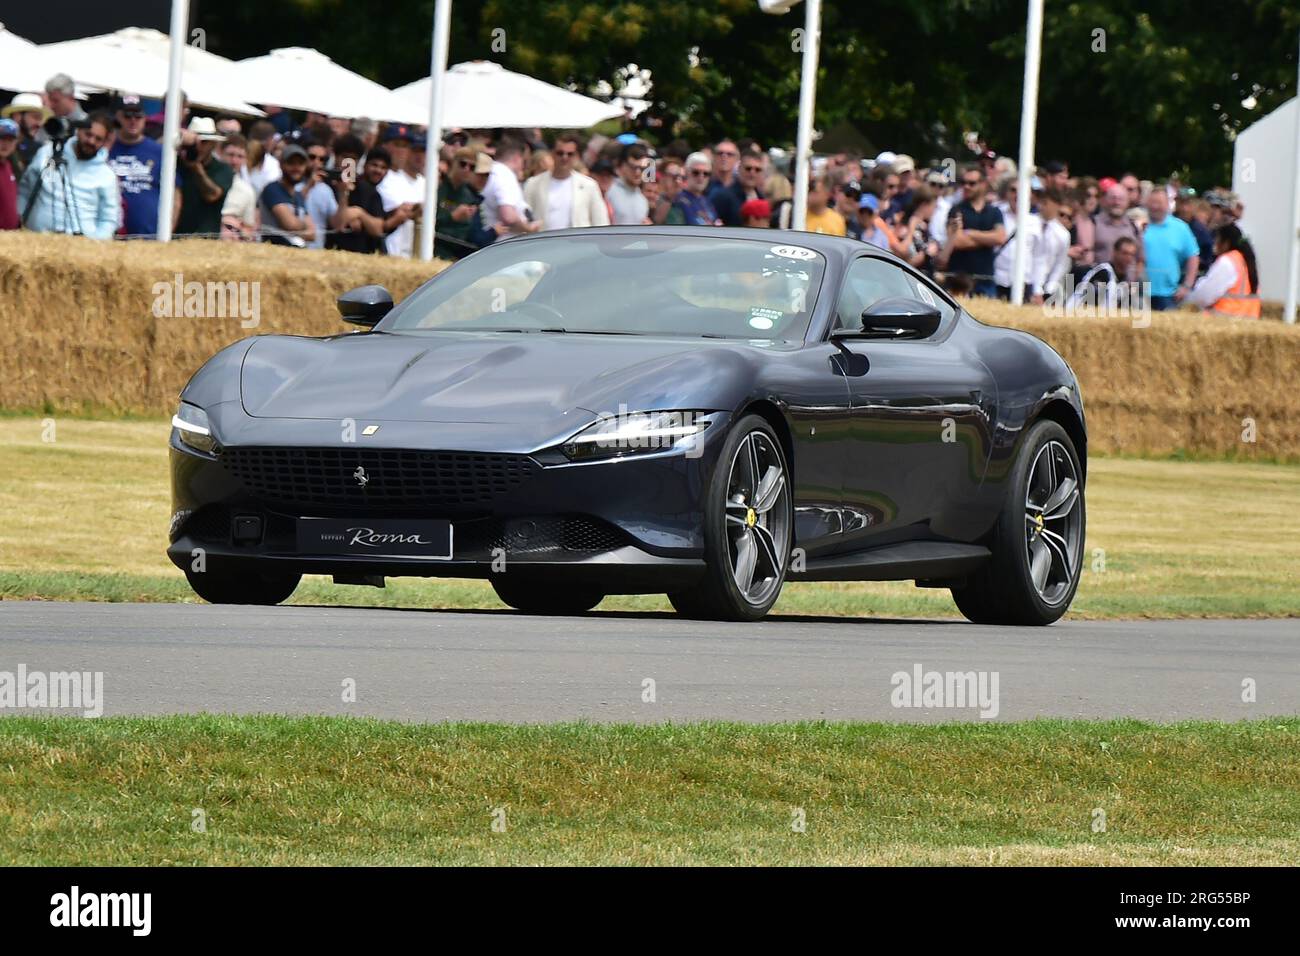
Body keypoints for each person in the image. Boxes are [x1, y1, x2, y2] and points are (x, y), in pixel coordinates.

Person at [17, 111, 119, 239]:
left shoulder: (107, 176)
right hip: (36, 240)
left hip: (80, 246)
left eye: (98, 139)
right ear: (78, 131)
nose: (91, 141)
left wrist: (96, 244)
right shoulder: (47, 153)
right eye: (88, 134)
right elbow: (25, 190)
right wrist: (18, 221)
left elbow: (109, 219)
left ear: (104, 142)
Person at [934, 164, 1005, 296]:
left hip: (985, 281)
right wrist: (988, 240)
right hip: (959, 281)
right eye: (963, 183)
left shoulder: (994, 212)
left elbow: (1000, 238)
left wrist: (970, 233)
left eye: (972, 183)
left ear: (983, 184)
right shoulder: (956, 210)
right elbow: (957, 241)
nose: (966, 187)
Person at [523, 133, 609, 233]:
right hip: (544, 241)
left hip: (578, 241)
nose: (565, 157)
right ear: (552, 154)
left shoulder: (589, 185)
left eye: (570, 154)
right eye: (560, 153)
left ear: (576, 156)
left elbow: (601, 223)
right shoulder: (533, 184)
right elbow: (524, 221)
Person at [106, 95, 163, 237]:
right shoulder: (107, 147)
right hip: (110, 232)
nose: (133, 121)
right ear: (119, 117)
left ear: (145, 118)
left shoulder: (158, 151)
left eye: (138, 116)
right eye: (127, 116)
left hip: (148, 236)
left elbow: (174, 193)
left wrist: (167, 231)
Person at [174, 117, 232, 238]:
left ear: (213, 144)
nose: (199, 147)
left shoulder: (223, 169)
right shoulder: (174, 164)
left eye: (204, 142)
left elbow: (212, 195)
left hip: (206, 240)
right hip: (176, 236)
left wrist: (195, 167)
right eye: (194, 142)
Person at [328, 145, 392, 255]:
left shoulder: (370, 192)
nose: (378, 170)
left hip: (364, 254)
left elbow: (378, 229)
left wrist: (359, 213)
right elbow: (336, 222)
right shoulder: (328, 186)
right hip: (334, 252)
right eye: (374, 165)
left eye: (383, 168)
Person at [1143, 185, 1199, 310]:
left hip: (1168, 295)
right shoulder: (1139, 225)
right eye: (1152, 202)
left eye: (1159, 203)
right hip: (1139, 293)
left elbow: (1193, 257)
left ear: (1168, 204)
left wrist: (1187, 286)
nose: (1155, 206)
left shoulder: (1181, 228)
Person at [1186, 224, 1260, 318]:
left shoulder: (1227, 262)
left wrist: (1188, 298)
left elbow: (1203, 296)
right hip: (1247, 321)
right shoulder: (1246, 261)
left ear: (1225, 243)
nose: (1215, 244)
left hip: (1222, 320)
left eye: (1217, 239)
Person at [376, 125, 425, 256]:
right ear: (385, 146)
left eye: (406, 146)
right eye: (397, 145)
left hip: (411, 250)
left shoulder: (412, 180)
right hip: (389, 248)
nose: (402, 150)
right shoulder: (381, 176)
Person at [259, 143, 314, 246]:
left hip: (296, 251)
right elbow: (290, 224)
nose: (296, 168)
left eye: (301, 164)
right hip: (273, 249)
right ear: (281, 164)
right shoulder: (272, 189)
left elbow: (313, 234)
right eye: (291, 163)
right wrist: (304, 226)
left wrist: (298, 226)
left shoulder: (298, 196)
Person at [301, 139, 352, 250]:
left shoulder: (325, 190)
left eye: (322, 159)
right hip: (289, 248)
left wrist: (343, 194)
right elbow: (292, 208)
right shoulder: (290, 183)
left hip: (316, 251)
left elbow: (338, 225)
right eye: (312, 157)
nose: (317, 162)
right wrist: (309, 186)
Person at [479, 139, 535, 236]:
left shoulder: (492, 172)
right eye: (524, 161)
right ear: (517, 158)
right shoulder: (505, 175)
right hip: (503, 241)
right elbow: (508, 217)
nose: (524, 167)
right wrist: (529, 229)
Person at [1070, 236, 1139, 311]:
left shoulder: (1124, 281)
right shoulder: (1102, 272)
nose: (1128, 258)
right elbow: (1089, 303)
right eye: (1125, 253)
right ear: (1115, 252)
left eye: (1132, 254)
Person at [1092, 184, 1143, 282]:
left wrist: (1134, 280)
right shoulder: (1094, 223)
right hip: (1100, 285)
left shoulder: (1134, 228)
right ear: (1105, 200)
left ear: (1128, 202)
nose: (1117, 202)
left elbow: (1140, 259)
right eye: (1113, 198)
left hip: (1127, 285)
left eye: (1121, 199)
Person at [1029, 188, 1071, 304]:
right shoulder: (1028, 222)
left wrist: (1049, 289)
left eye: (1047, 203)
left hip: (1045, 286)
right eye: (1042, 202)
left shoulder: (1062, 234)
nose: (1043, 206)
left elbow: (1060, 264)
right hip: (1024, 281)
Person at [218, 134, 258, 241]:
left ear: (246, 159)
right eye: (230, 155)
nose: (234, 161)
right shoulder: (207, 179)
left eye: (240, 156)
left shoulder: (247, 191)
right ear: (220, 153)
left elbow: (249, 229)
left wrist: (236, 228)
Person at [2, 93, 51, 175]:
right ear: (17, 116)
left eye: (41, 119)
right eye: (35, 117)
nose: (39, 124)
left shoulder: (31, 149)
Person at [607, 143, 651, 225]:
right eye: (633, 167)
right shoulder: (609, 191)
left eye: (642, 168)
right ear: (622, 165)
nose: (638, 172)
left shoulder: (642, 199)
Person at [672, 152, 720, 226]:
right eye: (696, 172)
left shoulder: (707, 201)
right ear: (686, 172)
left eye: (706, 173)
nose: (701, 177)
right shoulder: (677, 200)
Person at [0, 119, 20, 230]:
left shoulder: (9, 165)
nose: (6, 144)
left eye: (10, 140)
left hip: (11, 236)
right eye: (2, 138)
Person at [651, 158, 684, 224]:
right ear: (663, 178)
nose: (678, 181)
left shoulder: (684, 201)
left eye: (681, 177)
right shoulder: (654, 199)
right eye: (674, 177)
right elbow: (657, 222)